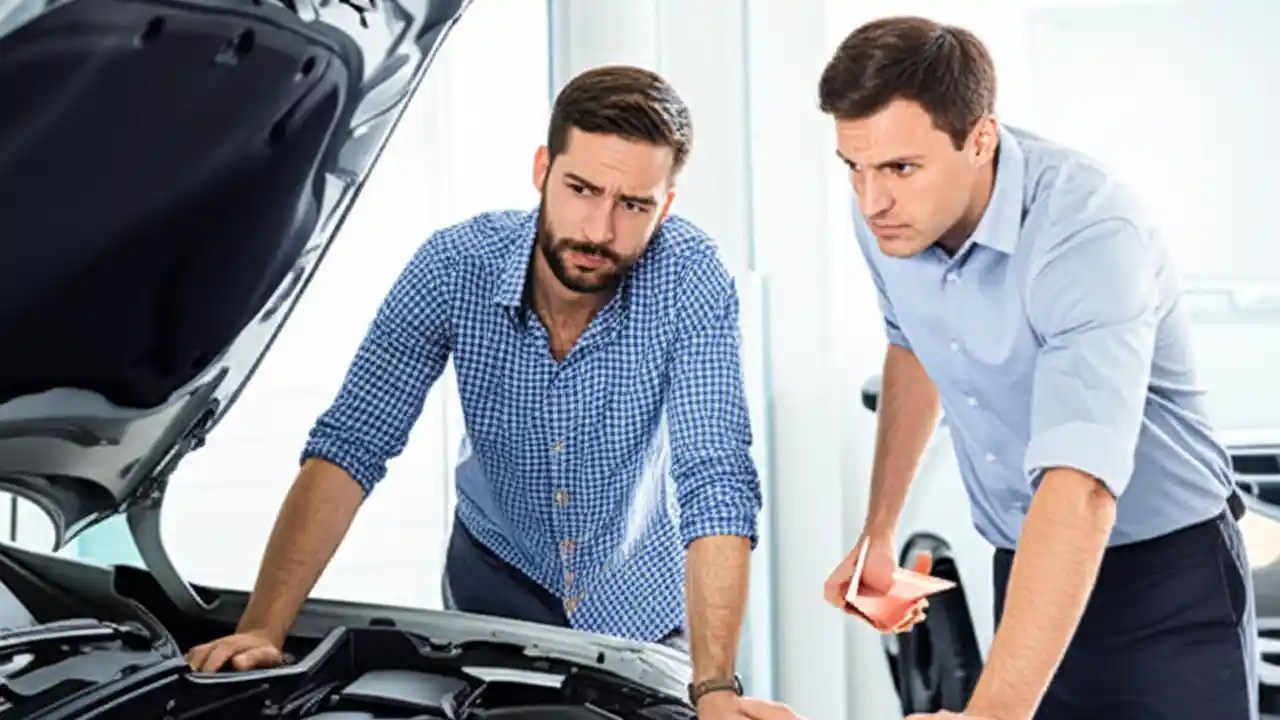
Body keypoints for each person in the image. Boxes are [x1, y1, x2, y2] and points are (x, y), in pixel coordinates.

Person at [186, 64, 798, 720]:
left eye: (634, 206)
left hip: (640, 600)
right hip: (494, 584)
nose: (600, 230)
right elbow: (351, 446)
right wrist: (263, 628)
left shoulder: (691, 278)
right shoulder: (454, 268)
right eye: (582, 189)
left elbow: (716, 478)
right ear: (543, 169)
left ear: (665, 207)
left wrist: (714, 689)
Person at [817, 16, 1257, 720]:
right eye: (854, 168)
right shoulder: (892, 216)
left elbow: (1081, 489)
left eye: (900, 167)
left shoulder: (1087, 232)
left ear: (981, 138)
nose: (871, 201)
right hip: (1026, 571)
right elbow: (912, 347)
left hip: (1166, 583)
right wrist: (879, 530)